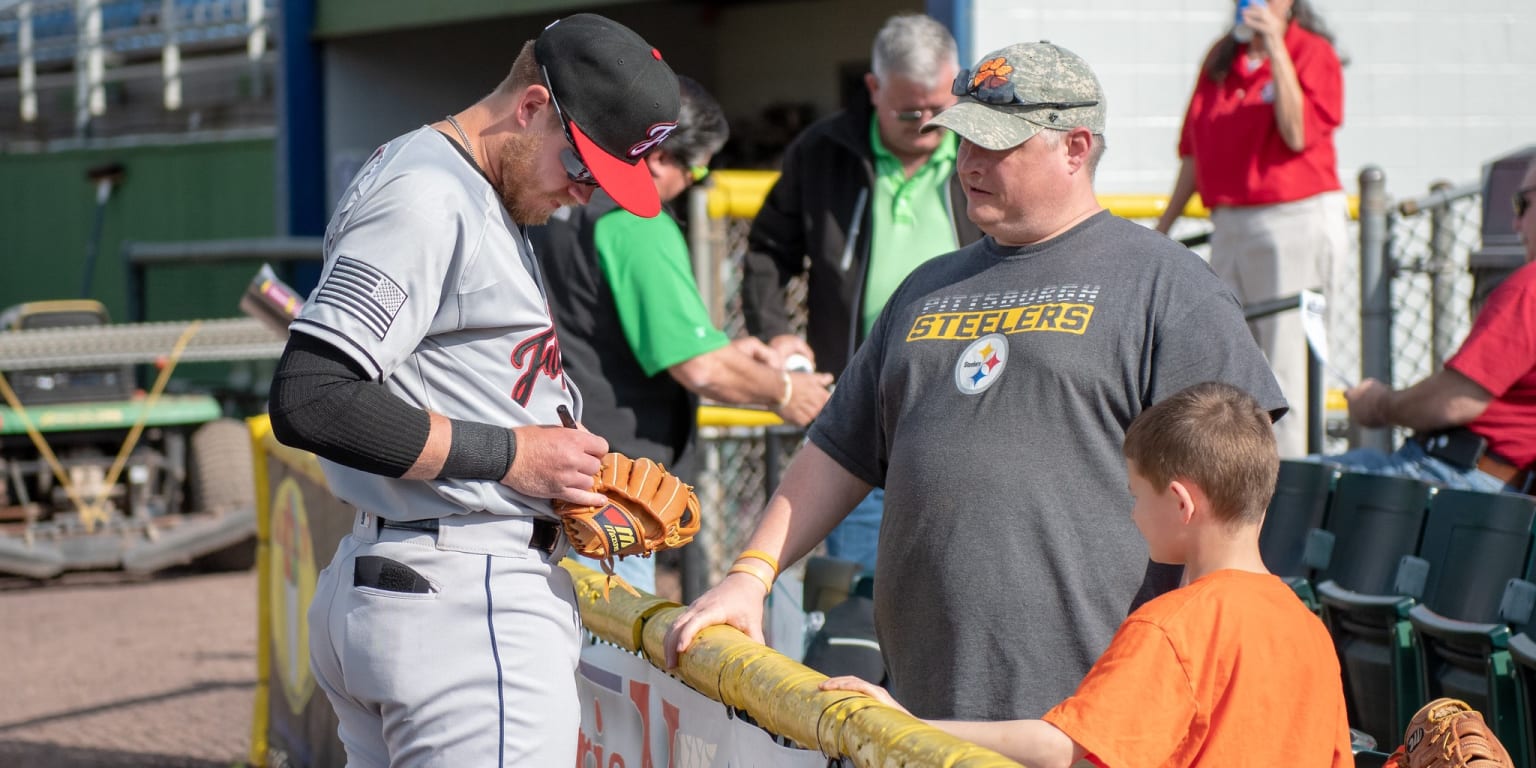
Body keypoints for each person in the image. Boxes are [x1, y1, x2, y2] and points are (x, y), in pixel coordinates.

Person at [666, 41, 1287, 722]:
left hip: (1097, 720)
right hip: (922, 711)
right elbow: (838, 451)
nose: (968, 164)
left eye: (996, 147)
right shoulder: (927, 288)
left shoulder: (1166, 287)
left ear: (1076, 148)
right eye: (963, 142)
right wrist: (748, 578)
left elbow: (1235, 499)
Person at [266, 14, 679, 767]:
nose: (586, 193)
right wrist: (512, 458)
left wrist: (551, 475)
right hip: (460, 606)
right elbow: (310, 396)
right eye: (581, 165)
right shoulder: (431, 193)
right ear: (530, 107)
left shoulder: (461, 184)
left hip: (425, 578)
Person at [821, 382, 1351, 768]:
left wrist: (903, 723)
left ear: (1181, 503)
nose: (1133, 514)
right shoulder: (1310, 629)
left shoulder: (1172, 626)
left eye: (1137, 495)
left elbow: (1063, 748)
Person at [531, 76, 832, 594]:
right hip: (608, 493)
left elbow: (601, 328)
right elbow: (699, 367)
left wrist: (727, 349)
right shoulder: (634, 219)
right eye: (695, 170)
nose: (693, 183)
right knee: (614, 665)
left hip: (536, 464)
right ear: (659, 158)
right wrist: (788, 392)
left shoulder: (551, 196)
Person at [738, 13, 984, 575]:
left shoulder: (982, 152)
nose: (926, 124)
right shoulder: (823, 152)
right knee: (857, 595)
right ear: (873, 89)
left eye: (938, 109)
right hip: (861, 411)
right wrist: (776, 331)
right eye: (908, 111)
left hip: (966, 409)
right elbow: (767, 251)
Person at [1154, 0, 1345, 459]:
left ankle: (1293, 499)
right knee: (1229, 371)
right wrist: (1162, 229)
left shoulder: (1310, 51)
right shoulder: (1223, 56)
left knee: (1286, 372)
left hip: (1289, 218)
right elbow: (1193, 154)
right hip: (1229, 221)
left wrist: (1276, 46)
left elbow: (1297, 133)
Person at [1323, 156, 1536, 495]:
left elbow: (1456, 401)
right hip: (1495, 486)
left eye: (1522, 203)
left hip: (1461, 478)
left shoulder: (1530, 287)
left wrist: (1378, 403)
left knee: (1286, 484)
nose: (1515, 222)